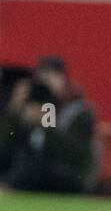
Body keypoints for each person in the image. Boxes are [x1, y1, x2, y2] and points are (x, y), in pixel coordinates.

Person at [0, 56, 96, 193]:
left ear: (64, 81)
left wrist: (44, 120)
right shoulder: (31, 104)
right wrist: (15, 109)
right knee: (25, 159)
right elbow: (5, 147)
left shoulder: (79, 112)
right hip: (32, 174)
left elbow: (68, 153)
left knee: (36, 164)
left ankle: (8, 185)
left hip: (67, 173)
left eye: (53, 76)